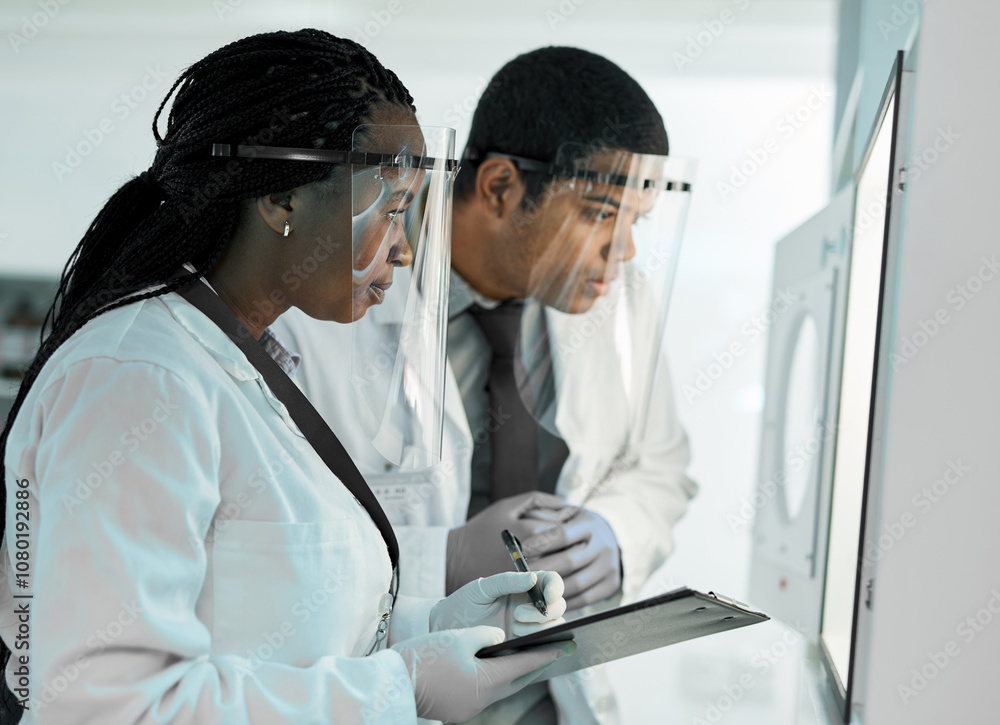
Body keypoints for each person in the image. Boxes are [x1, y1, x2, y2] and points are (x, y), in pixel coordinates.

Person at [0, 30, 577, 724]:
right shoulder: (139, 378)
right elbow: (109, 705)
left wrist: (436, 627)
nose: (403, 247)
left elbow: (275, 628)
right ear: (282, 200)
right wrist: (402, 684)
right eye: (392, 208)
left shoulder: (248, 361)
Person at [273, 46, 698, 724]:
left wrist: (615, 535)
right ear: (501, 187)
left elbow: (661, 465)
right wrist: (440, 560)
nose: (624, 252)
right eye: (599, 213)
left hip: (556, 694)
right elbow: (267, 543)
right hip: (387, 689)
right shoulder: (323, 304)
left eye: (636, 222)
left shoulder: (623, 298)